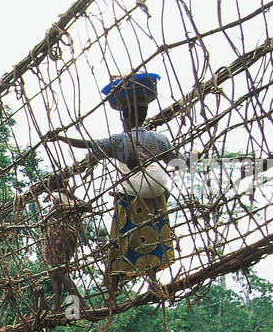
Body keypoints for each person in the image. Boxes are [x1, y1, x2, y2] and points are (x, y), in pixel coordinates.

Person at [43, 72, 183, 318]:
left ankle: (113, 291)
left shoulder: (119, 141)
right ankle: (152, 280)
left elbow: (89, 144)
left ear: (126, 117)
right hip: (154, 200)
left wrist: (61, 138)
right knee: (152, 239)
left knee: (121, 242)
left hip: (129, 200)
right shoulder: (159, 139)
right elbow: (178, 163)